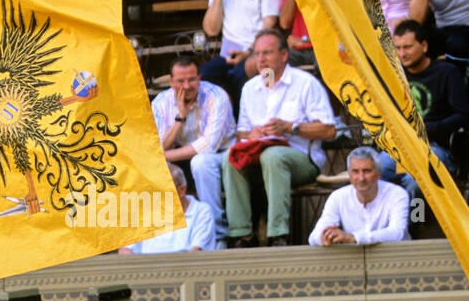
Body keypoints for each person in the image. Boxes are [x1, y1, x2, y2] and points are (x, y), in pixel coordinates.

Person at [226, 29, 337, 246]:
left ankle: (278, 235)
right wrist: (252, 134)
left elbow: (328, 130)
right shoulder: (250, 87)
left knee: (273, 157)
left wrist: (290, 127)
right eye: (257, 54)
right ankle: (242, 235)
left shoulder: (305, 83)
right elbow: (242, 132)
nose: (260, 59)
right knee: (229, 158)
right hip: (260, 158)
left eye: (267, 53)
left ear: (284, 55)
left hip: (303, 158)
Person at [374, 20, 467, 202]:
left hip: (437, 148)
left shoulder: (447, 72)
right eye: (398, 48)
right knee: (372, 172)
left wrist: (428, 128)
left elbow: (462, 115)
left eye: (407, 47)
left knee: (415, 181)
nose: (402, 54)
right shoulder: (394, 76)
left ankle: (410, 226)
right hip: (401, 148)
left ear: (424, 46)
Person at [149, 55, 235, 247]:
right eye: (180, 81)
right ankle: (165, 238)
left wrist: (163, 156)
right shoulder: (161, 102)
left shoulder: (217, 96)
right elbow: (159, 146)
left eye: (192, 79)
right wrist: (181, 117)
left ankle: (217, 233)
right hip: (182, 156)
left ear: (200, 77)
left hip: (222, 155)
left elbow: (208, 145)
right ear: (171, 81)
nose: (187, 86)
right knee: (156, 168)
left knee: (201, 162)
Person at [200, 0, 282, 107]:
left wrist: (249, 51)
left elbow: (270, 23)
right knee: (205, 77)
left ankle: (243, 128)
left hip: (256, 53)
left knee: (239, 77)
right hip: (227, 55)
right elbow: (211, 30)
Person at [308, 146, 410, 246]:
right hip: (354, 260)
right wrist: (326, 236)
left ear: (378, 174)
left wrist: (354, 237)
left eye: (367, 171)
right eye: (355, 171)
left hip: (394, 258)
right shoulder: (338, 197)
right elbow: (313, 238)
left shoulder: (397, 194)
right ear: (349, 175)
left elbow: (397, 233)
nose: (361, 178)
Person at [118, 165, 214, 254]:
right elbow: (125, 250)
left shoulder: (201, 212)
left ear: (182, 190)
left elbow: (196, 252)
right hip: (146, 270)